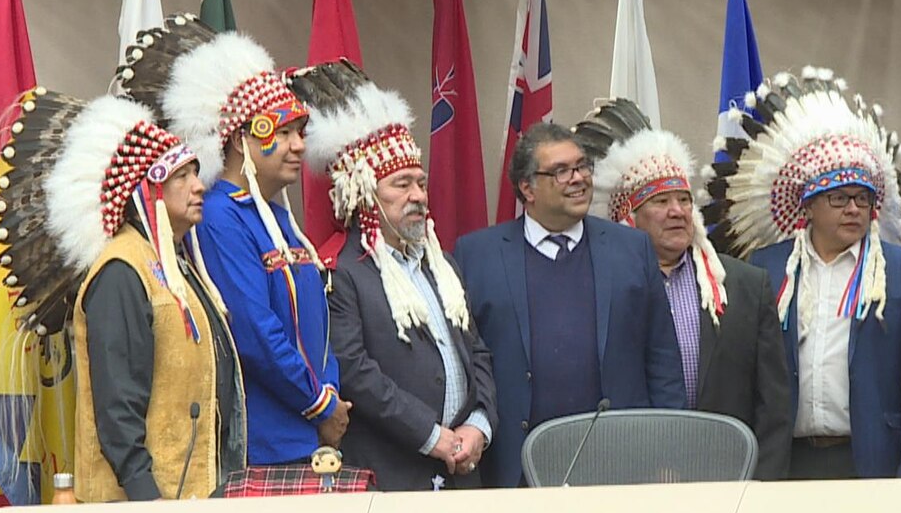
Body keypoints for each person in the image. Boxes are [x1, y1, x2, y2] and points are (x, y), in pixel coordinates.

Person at [117, 14, 349, 466]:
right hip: (267, 444)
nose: (299, 146)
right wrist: (320, 404)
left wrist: (331, 397)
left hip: (312, 435)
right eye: (282, 133)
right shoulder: (221, 216)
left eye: (299, 133)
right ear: (243, 140)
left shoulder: (280, 219)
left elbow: (318, 327)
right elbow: (254, 331)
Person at [0, 89, 246, 501]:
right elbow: (117, 406)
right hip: (143, 509)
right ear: (146, 192)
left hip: (191, 497)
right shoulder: (121, 272)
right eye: (181, 176)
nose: (199, 187)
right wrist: (146, 497)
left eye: (195, 174)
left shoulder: (173, 267)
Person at [713, 67, 901, 479]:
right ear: (808, 207)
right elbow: (747, 377)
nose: (853, 209)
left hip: (872, 459)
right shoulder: (767, 268)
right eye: (838, 198)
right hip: (785, 461)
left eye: (861, 198)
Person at [288, 61, 496, 491]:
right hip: (392, 478)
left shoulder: (443, 266)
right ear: (365, 194)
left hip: (462, 472)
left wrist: (478, 426)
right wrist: (433, 436)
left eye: (420, 183)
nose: (419, 196)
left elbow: (477, 353)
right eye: (402, 185)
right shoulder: (339, 273)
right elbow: (357, 373)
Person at [454, 122, 686, 488]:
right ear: (527, 188)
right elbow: (467, 362)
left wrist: (669, 454)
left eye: (582, 166)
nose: (578, 178)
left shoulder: (632, 249)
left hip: (621, 465)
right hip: (517, 470)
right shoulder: (477, 255)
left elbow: (662, 360)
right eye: (561, 171)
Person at [574, 99, 793, 479]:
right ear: (629, 218)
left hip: (729, 478)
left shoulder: (743, 286)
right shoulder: (599, 292)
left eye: (684, 200)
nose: (679, 211)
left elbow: (774, 404)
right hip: (631, 481)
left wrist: (761, 485)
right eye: (660, 202)